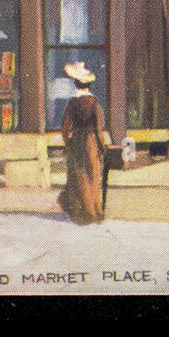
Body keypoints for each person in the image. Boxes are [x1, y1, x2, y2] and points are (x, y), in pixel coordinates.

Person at [58, 62, 106, 225]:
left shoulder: (72, 102)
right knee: (92, 176)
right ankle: (95, 212)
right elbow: (99, 129)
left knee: (79, 177)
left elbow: (65, 127)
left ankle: (81, 213)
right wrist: (102, 147)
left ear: (76, 84)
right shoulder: (94, 103)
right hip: (91, 142)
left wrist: (68, 142)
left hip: (77, 141)